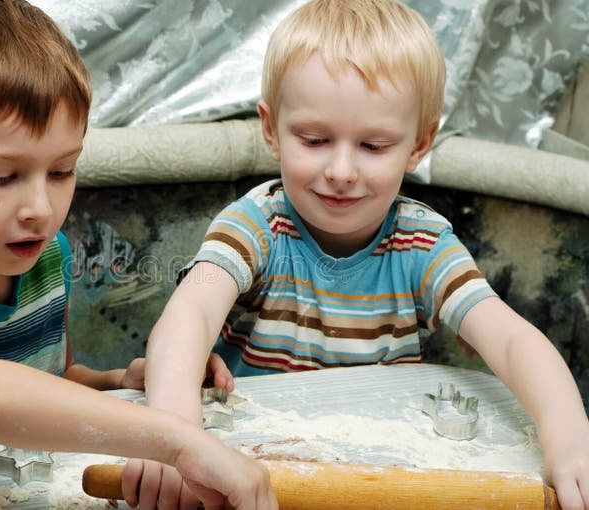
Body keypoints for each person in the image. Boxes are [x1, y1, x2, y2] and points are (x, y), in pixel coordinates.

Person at [124, 0, 589, 509]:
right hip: (252, 468)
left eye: (373, 146)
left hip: (382, 469)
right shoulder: (257, 224)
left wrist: (568, 435)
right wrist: (174, 432)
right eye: (316, 139)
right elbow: (190, 312)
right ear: (271, 129)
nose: (342, 170)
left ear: (419, 144)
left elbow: (512, 341)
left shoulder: (423, 244)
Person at [0, 1, 277, 508]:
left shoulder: (45, 256)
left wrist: (115, 383)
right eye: (1, 177)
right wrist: (175, 436)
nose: (40, 208)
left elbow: (46, 383)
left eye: (61, 171)